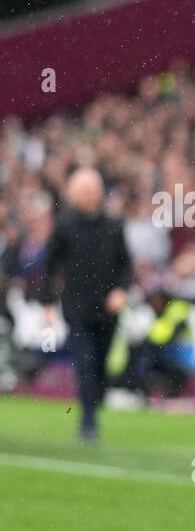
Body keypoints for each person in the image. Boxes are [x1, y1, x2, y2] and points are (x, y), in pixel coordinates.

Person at [36, 168, 133, 441]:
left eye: (93, 190)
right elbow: (49, 265)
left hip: (108, 311)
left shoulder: (114, 226)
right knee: (85, 362)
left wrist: (121, 291)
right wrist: (46, 302)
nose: (89, 196)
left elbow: (126, 265)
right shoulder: (65, 226)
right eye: (84, 191)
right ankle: (88, 421)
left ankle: (93, 404)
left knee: (100, 365)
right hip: (77, 308)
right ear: (75, 195)